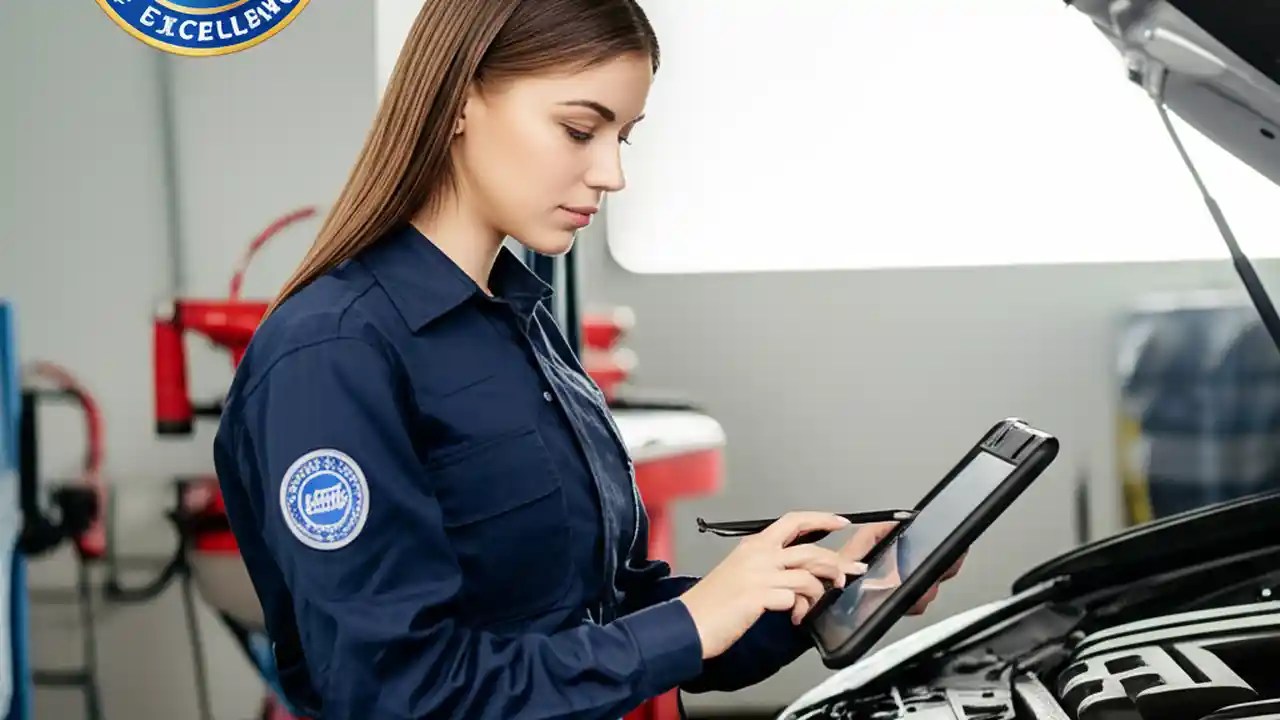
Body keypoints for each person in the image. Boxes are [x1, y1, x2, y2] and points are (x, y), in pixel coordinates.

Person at [212, 1, 959, 718]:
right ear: (460, 100)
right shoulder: (331, 354)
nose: (611, 173)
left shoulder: (521, 326)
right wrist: (691, 621)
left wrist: (815, 592)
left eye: (621, 138)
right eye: (578, 130)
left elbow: (607, 614)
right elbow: (398, 695)